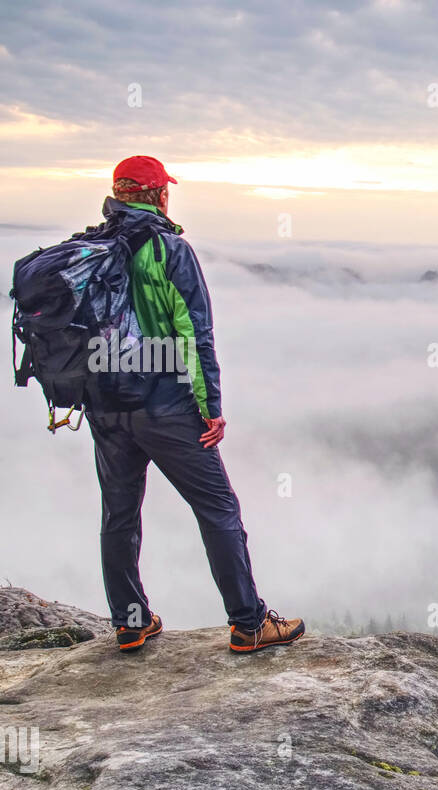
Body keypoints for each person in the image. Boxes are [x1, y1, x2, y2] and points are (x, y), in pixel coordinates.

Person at [86, 154, 303, 654]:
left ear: (118, 194)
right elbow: (193, 333)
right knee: (218, 509)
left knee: (119, 514)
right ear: (159, 195)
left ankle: (131, 622)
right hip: (164, 404)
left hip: (105, 405)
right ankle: (249, 625)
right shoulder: (168, 250)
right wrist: (211, 408)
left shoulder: (95, 246)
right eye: (166, 190)